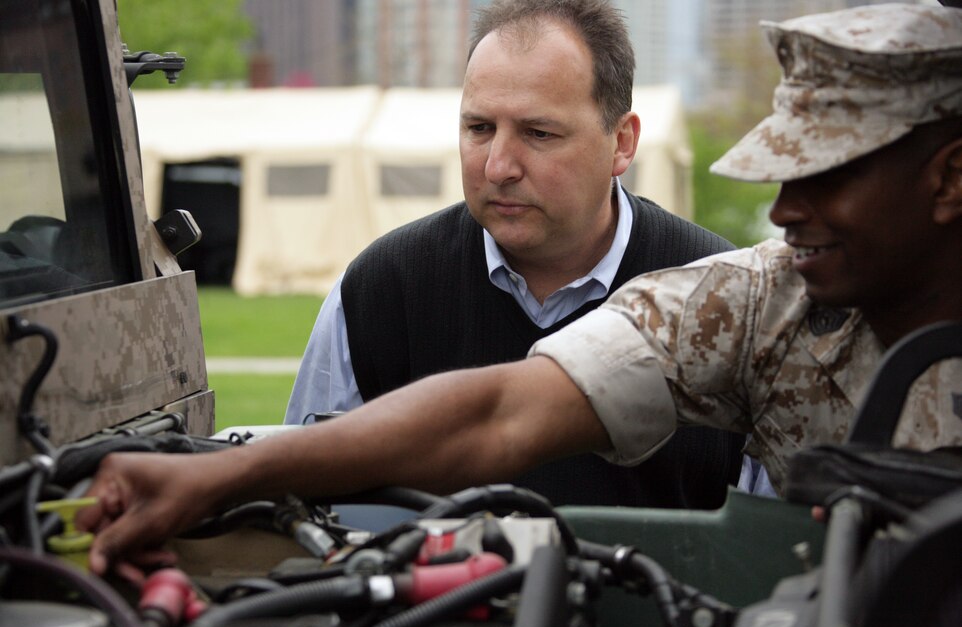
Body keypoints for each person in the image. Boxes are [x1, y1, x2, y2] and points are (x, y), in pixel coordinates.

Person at [80, 2, 962, 576]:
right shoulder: (755, 305)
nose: (785, 208)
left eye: (828, 176)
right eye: (478, 127)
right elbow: (502, 412)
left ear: (949, 178)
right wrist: (226, 473)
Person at [284, 0, 743, 509]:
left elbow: (780, 547)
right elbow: (304, 507)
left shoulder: (724, 303)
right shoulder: (380, 290)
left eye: (538, 133)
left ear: (622, 142)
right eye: (479, 128)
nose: (499, 166)